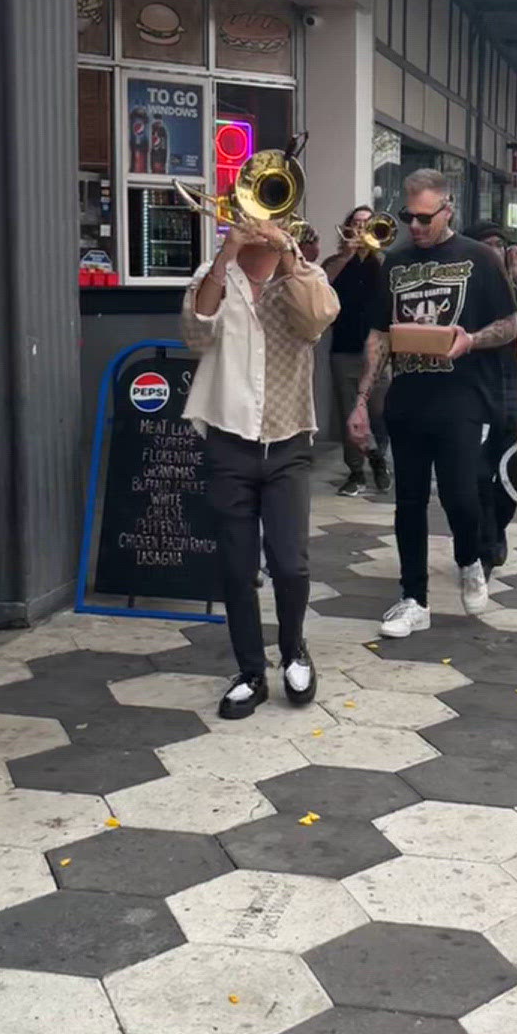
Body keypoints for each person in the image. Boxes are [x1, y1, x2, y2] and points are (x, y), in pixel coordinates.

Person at [348, 169, 517, 636]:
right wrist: (362, 400)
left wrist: (473, 339)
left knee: (461, 495)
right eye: (409, 217)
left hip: (462, 396)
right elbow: (379, 335)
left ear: (448, 209)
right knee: (408, 502)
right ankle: (413, 597)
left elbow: (511, 325)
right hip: (408, 397)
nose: (417, 227)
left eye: (426, 218)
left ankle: (469, 559)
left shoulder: (481, 258)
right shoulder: (396, 262)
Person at [182, 215, 339, 720]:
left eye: (273, 219)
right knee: (235, 566)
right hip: (229, 444)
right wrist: (228, 254)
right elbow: (194, 335)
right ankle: (251, 671)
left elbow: (316, 320)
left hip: (288, 441)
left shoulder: (307, 277)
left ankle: (294, 650)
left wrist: (289, 257)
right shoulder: (213, 275)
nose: (261, 227)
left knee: (290, 562)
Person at [467, 223, 517, 573]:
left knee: (513, 472)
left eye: (498, 244)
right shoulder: (466, 287)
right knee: (476, 471)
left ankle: (497, 527)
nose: (494, 250)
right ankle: (486, 538)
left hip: (511, 385)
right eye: (486, 244)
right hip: (473, 387)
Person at [322, 205, 392, 498]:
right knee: (349, 411)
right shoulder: (336, 261)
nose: (362, 228)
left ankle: (379, 460)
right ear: (347, 227)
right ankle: (356, 471)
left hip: (379, 353)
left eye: (368, 223)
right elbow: (323, 285)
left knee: (378, 412)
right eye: (357, 223)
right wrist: (347, 255)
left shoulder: (386, 261)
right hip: (344, 347)